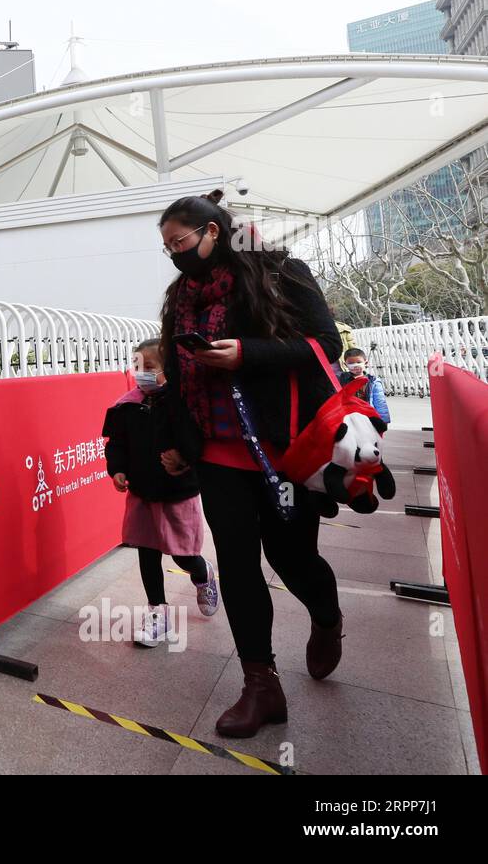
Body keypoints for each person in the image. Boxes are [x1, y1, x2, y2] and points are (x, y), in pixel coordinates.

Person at [156, 189, 344, 739]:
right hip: (216, 451)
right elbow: (171, 368)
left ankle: (328, 618)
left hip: (284, 450)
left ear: (214, 232)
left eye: (180, 241)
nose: (174, 254)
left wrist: (246, 353)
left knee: (292, 557)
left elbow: (324, 346)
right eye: (166, 247)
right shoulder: (181, 296)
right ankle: (261, 685)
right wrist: (172, 440)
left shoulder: (282, 272)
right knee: (237, 565)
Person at [102, 339, 218, 648]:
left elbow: (201, 442)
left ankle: (202, 572)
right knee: (147, 551)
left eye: (149, 367)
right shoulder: (127, 406)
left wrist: (184, 459)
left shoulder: (185, 404)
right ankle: (157, 612)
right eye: (137, 366)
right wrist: (117, 470)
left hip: (178, 493)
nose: (141, 373)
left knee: (182, 554)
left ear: (170, 370)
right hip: (142, 493)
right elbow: (116, 444)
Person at [339, 348, 391, 424]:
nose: (355, 365)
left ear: (365, 363)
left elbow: (380, 403)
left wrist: (383, 421)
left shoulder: (373, 382)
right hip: (349, 417)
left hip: (368, 417)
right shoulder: (341, 379)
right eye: (351, 363)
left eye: (358, 362)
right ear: (345, 365)